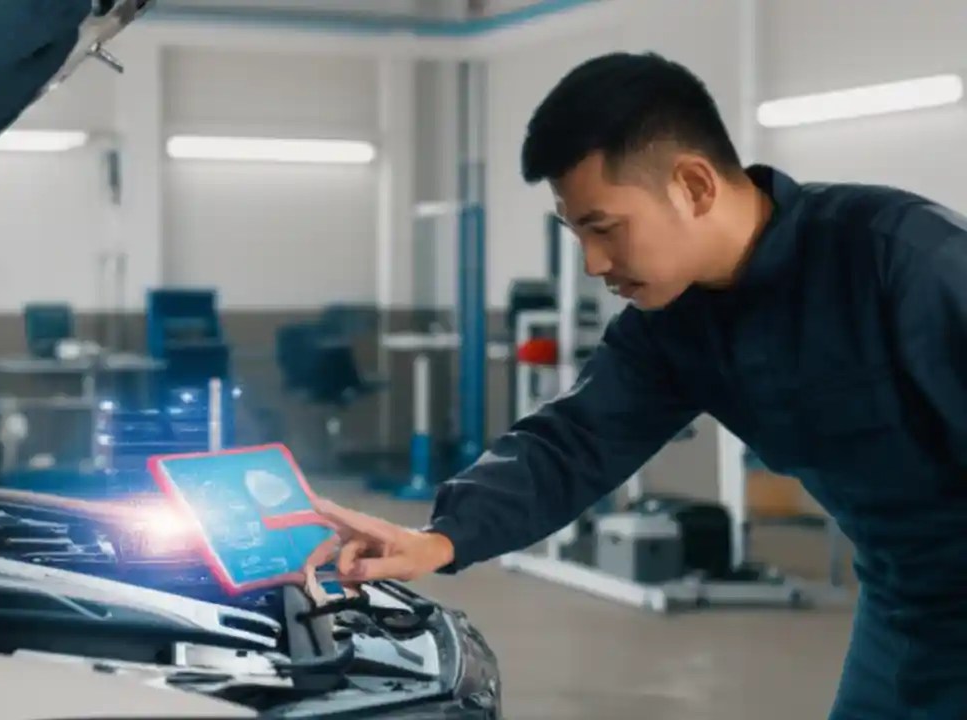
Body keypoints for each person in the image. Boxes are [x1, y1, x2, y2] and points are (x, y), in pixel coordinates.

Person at [312, 51, 967, 718]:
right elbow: (574, 439)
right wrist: (441, 537)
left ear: (694, 186)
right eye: (577, 236)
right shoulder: (672, 325)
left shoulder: (907, 264)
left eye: (605, 229)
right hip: (903, 604)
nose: (595, 263)